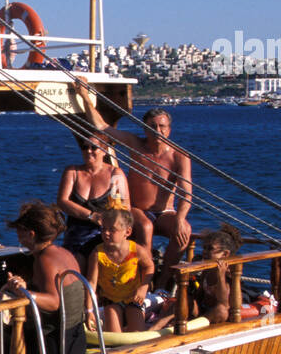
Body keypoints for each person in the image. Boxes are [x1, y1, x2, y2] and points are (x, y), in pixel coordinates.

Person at [76, 86, 193, 290]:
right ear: (144, 128)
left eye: (162, 126)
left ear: (169, 129)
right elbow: (102, 126)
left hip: (164, 212)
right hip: (136, 210)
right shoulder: (135, 144)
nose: (158, 131)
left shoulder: (179, 156)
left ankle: (163, 282)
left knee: (185, 231)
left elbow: (186, 192)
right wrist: (84, 95)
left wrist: (181, 219)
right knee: (146, 227)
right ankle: (142, 281)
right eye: (153, 126)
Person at [0, 201, 88, 354]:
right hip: (74, 342)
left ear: (31, 234)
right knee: (1, 322)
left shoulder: (45, 260)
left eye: (19, 230)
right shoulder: (64, 253)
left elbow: (53, 302)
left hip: (48, 350)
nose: (16, 234)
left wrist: (23, 292)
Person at [56, 130, 132, 267]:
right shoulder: (72, 172)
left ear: (104, 151)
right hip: (75, 233)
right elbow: (62, 201)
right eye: (85, 147)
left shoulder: (115, 174)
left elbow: (125, 209)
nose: (88, 151)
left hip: (102, 234)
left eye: (93, 147)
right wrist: (91, 215)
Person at [87, 208, 154, 333]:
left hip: (133, 299)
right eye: (103, 229)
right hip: (110, 300)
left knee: (137, 334)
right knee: (115, 335)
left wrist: (143, 288)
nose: (106, 233)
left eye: (112, 230)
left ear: (127, 232)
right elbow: (91, 283)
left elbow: (149, 266)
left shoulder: (136, 250)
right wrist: (89, 310)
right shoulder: (97, 253)